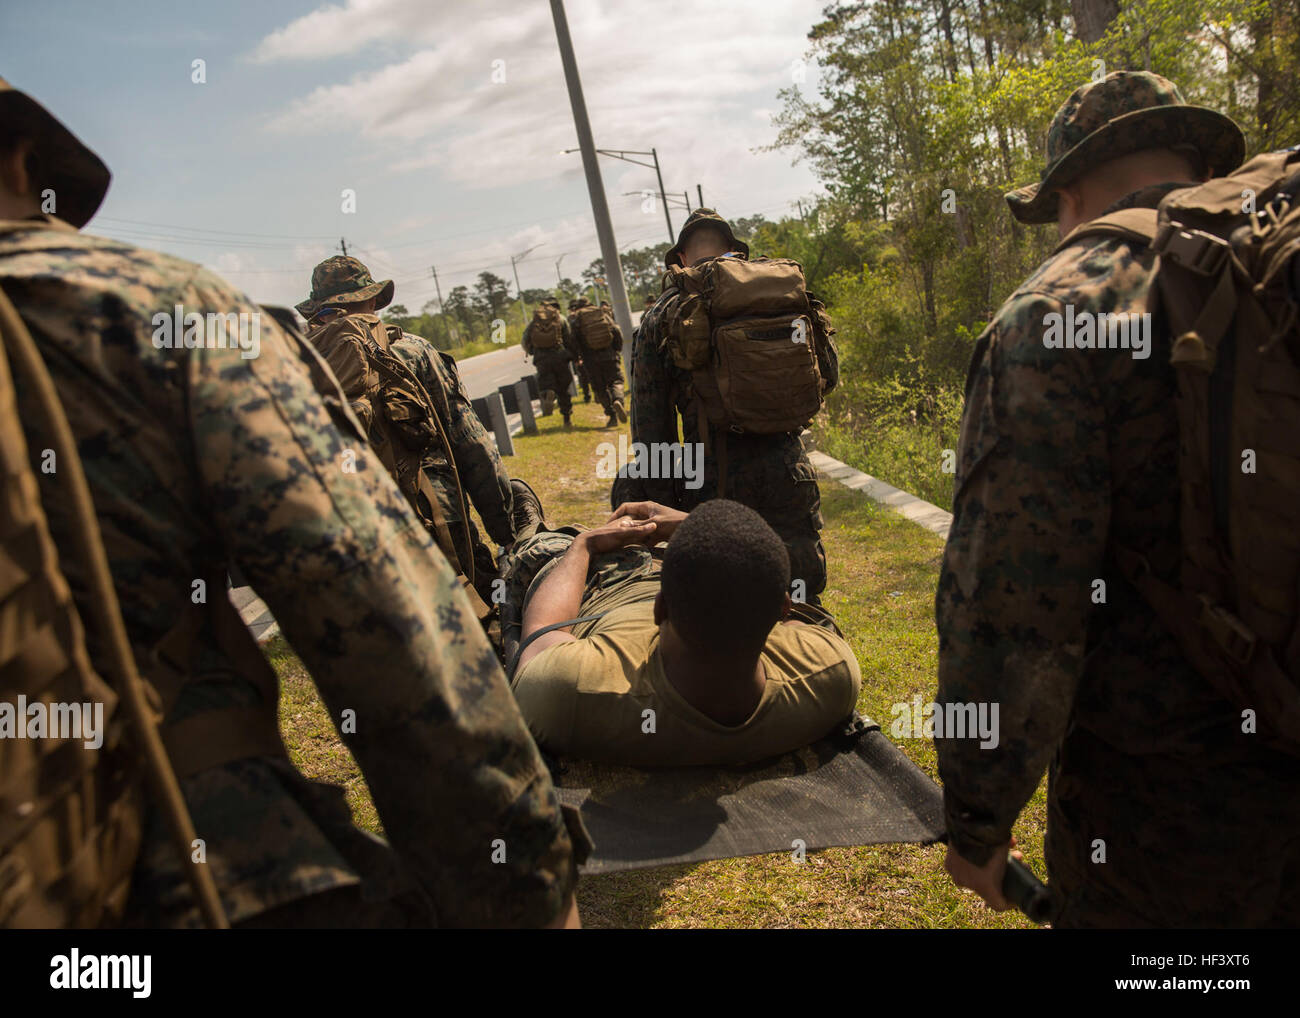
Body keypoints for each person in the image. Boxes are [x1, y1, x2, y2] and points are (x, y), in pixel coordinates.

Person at [0, 77, 580, 928]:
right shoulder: (163, 309)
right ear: (26, 156)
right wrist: (522, 882)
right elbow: (393, 636)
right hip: (175, 865)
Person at [935, 70, 1300, 927]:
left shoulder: (1060, 308)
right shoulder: (1271, 262)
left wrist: (978, 817)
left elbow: (1013, 606)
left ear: (1068, 192)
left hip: (1166, 811)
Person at [503, 494, 861, 766]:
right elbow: (805, 615)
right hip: (682, 581)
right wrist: (696, 529)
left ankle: (532, 527)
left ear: (660, 608)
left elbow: (542, 631)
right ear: (781, 611)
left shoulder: (574, 691)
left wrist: (586, 546)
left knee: (544, 549)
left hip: (602, 587)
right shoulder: (831, 675)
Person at [631, 208, 838, 600]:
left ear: (681, 257)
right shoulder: (781, 294)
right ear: (734, 250)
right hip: (789, 469)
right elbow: (828, 373)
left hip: (712, 478)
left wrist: (663, 506)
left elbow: (650, 426)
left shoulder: (663, 313)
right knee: (801, 595)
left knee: (729, 603)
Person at [295, 256, 512, 607]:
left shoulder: (298, 366)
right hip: (435, 518)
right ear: (371, 300)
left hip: (351, 534)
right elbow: (471, 444)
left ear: (319, 308)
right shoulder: (410, 350)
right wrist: (506, 531)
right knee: (479, 617)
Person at [568, 295, 625, 427]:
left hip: (590, 360)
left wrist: (577, 358)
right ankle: (618, 400)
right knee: (616, 380)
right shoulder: (601, 313)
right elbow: (616, 331)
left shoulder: (576, 319)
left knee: (600, 388)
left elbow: (573, 341)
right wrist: (616, 349)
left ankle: (612, 417)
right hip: (609, 355)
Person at [521, 298, 578, 427]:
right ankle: (567, 419)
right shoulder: (561, 319)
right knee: (563, 389)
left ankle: (548, 393)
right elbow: (569, 339)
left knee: (546, 383)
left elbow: (524, 340)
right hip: (559, 356)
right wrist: (573, 355)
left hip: (541, 358)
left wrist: (532, 352)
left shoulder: (534, 322)